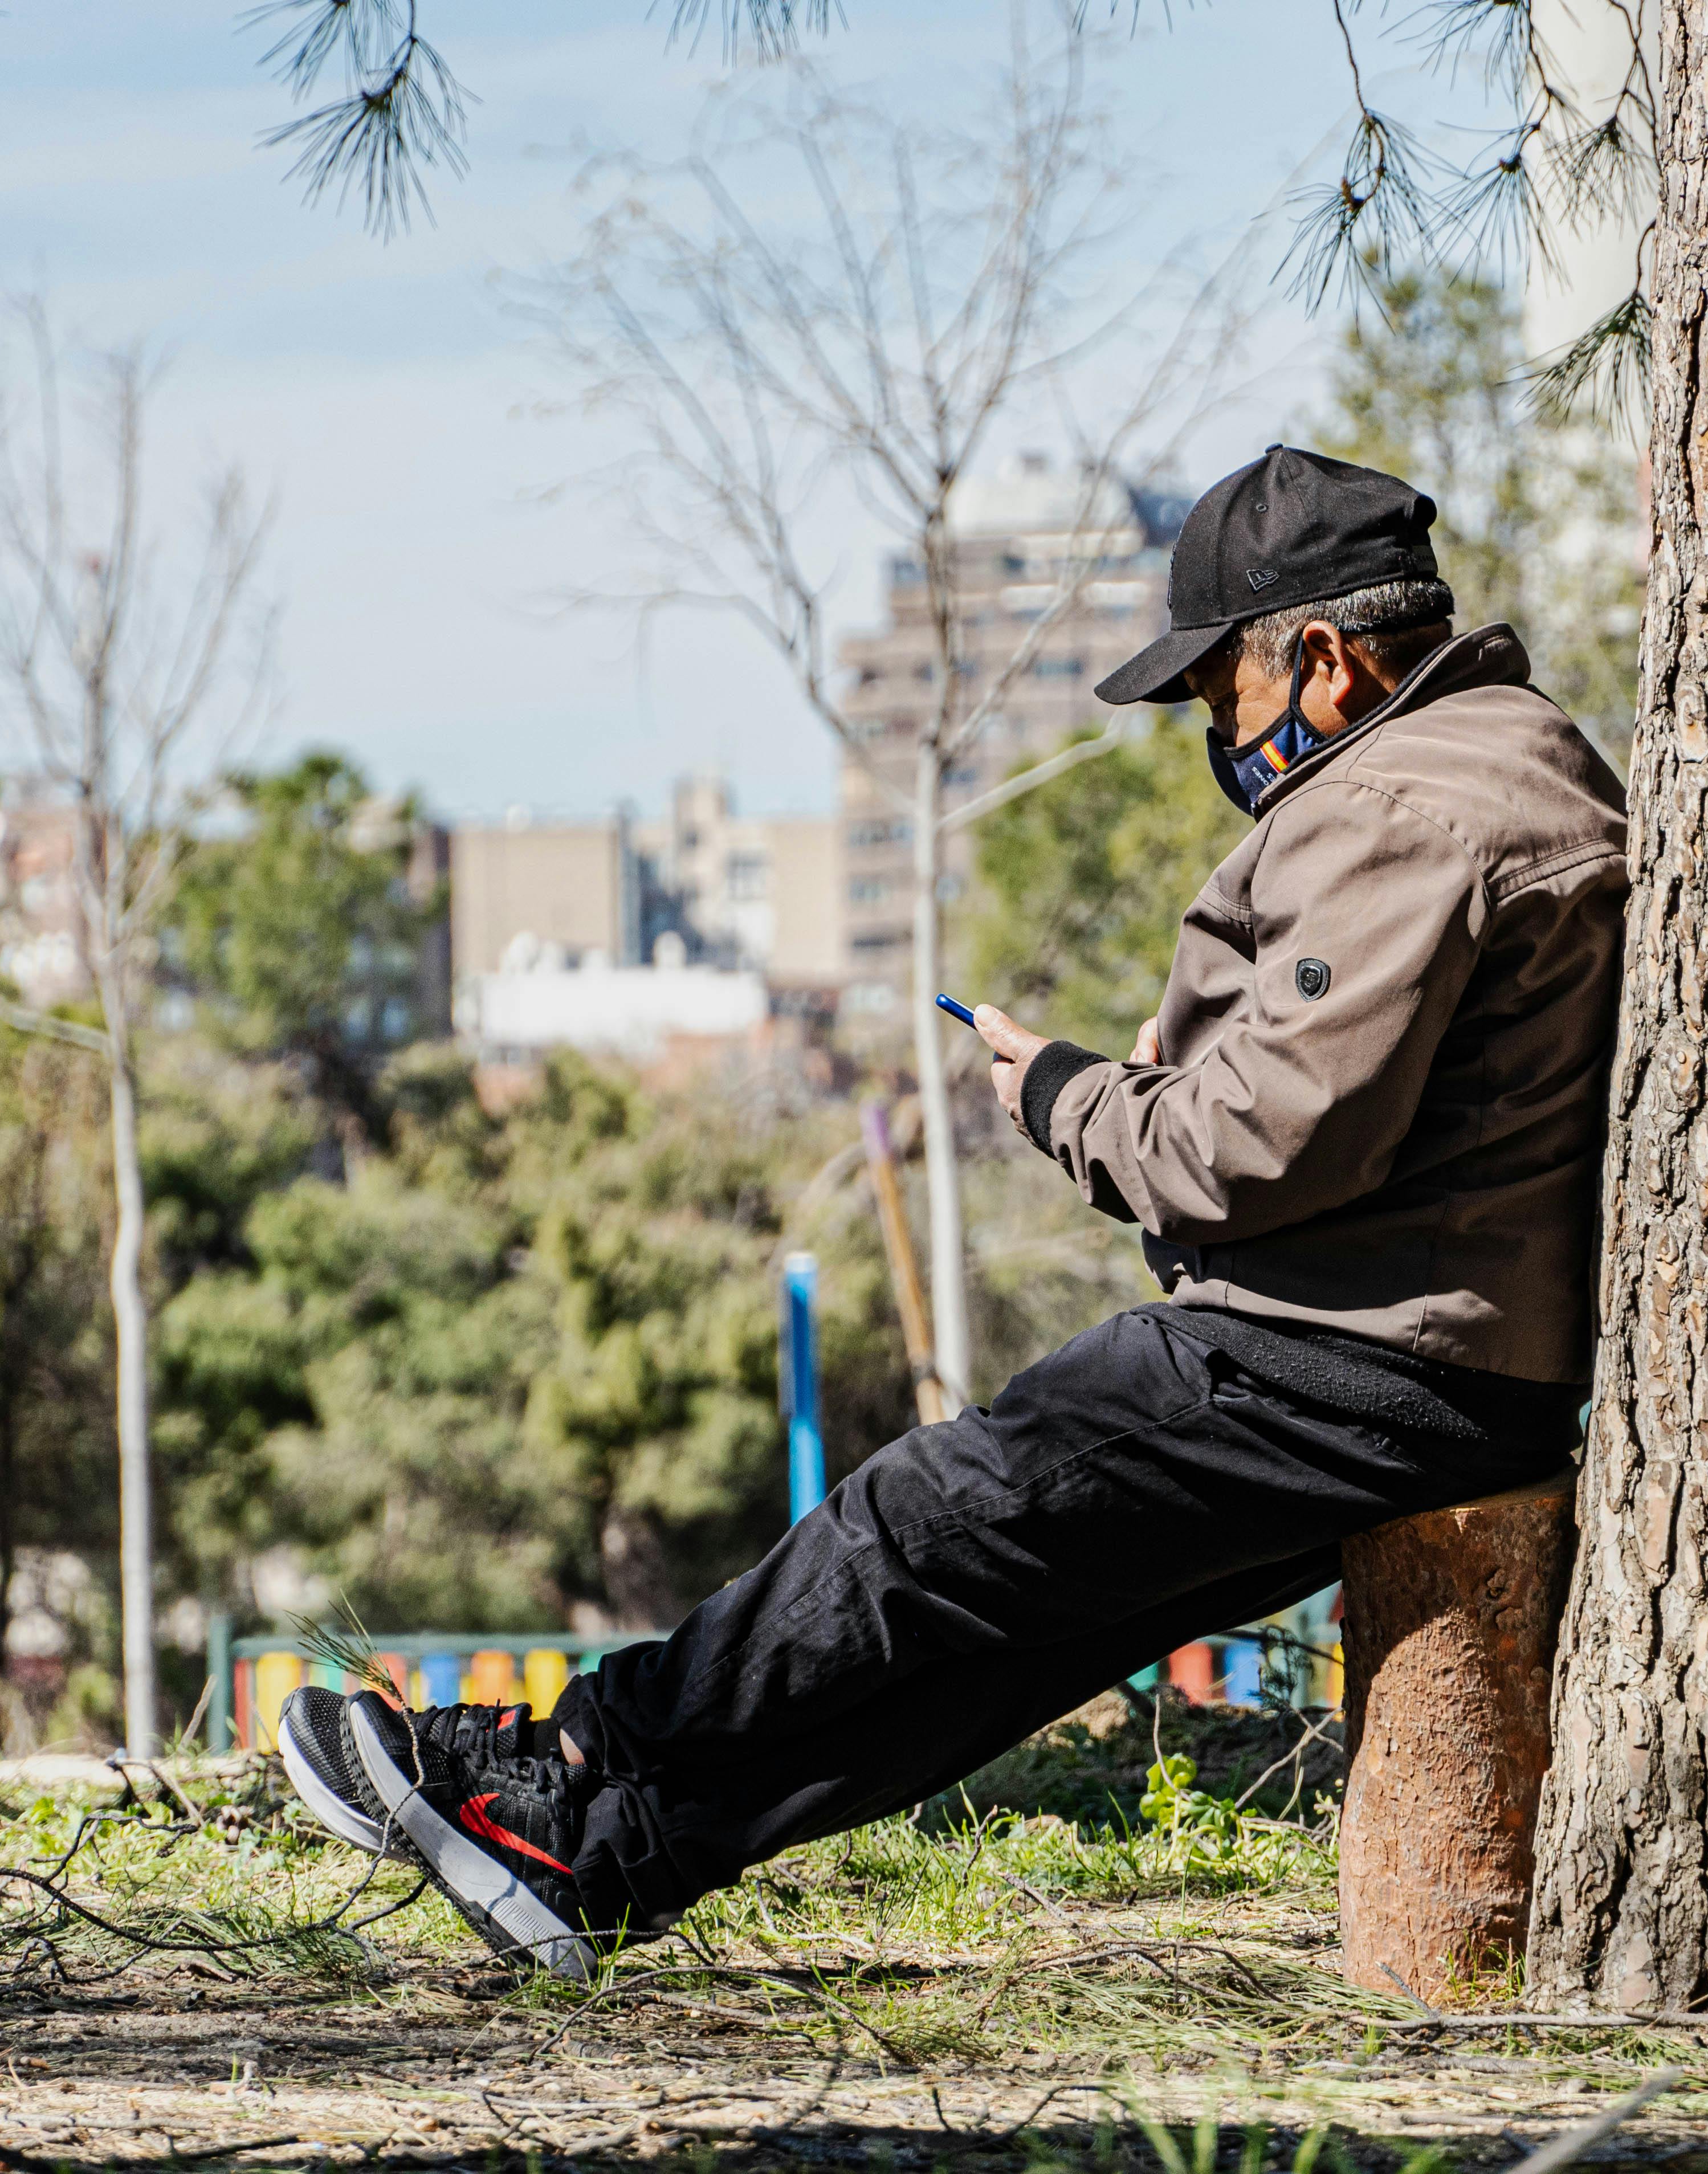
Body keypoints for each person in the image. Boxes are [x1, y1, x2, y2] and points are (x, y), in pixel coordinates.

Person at [275, 445, 1629, 1979]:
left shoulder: (1397, 803)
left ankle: (569, 1760)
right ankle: (598, 1862)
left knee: (920, 1527)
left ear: (1318, 655)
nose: (1214, 732)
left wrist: (1060, 1091)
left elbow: (1247, 1150)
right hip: (1436, 1354)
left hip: (1337, 1355)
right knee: (997, 1646)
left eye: (1214, 695)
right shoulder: (1516, 758)